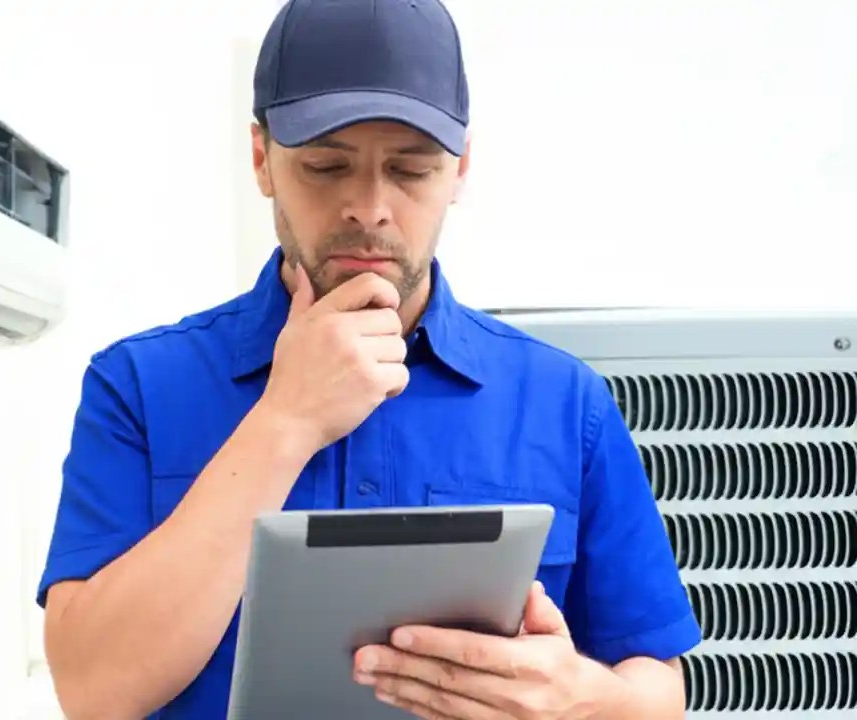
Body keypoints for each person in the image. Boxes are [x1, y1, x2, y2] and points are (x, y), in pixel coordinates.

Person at [36, 0, 701, 717]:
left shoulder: (566, 403)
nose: (369, 207)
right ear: (262, 158)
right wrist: (286, 421)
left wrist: (580, 702)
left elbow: (658, 688)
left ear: (460, 168)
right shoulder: (139, 386)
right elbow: (92, 692)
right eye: (326, 166)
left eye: (411, 169)